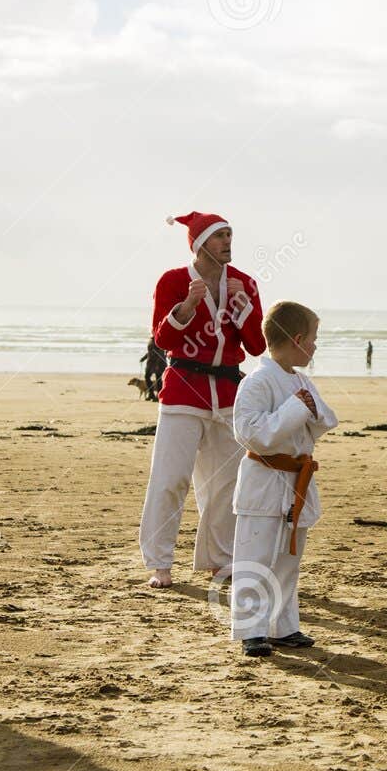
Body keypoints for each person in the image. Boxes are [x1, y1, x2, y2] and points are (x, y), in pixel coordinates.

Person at [139, 211, 266, 587]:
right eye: (219, 236)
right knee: (170, 478)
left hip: (228, 395)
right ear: (199, 244)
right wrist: (187, 309)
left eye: (229, 234)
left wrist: (243, 312)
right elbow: (162, 341)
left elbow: (257, 345)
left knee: (224, 483)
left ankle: (218, 560)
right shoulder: (174, 281)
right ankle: (160, 563)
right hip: (182, 392)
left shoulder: (244, 283)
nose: (228, 242)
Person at [230, 301, 337, 656]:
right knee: (256, 557)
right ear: (298, 338)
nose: (316, 346)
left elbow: (325, 421)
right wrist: (296, 409)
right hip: (263, 478)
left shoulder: (301, 381)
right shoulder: (257, 382)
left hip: (296, 479)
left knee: (288, 559)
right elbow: (252, 434)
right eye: (315, 339)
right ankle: (251, 630)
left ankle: (283, 625)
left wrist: (308, 406)